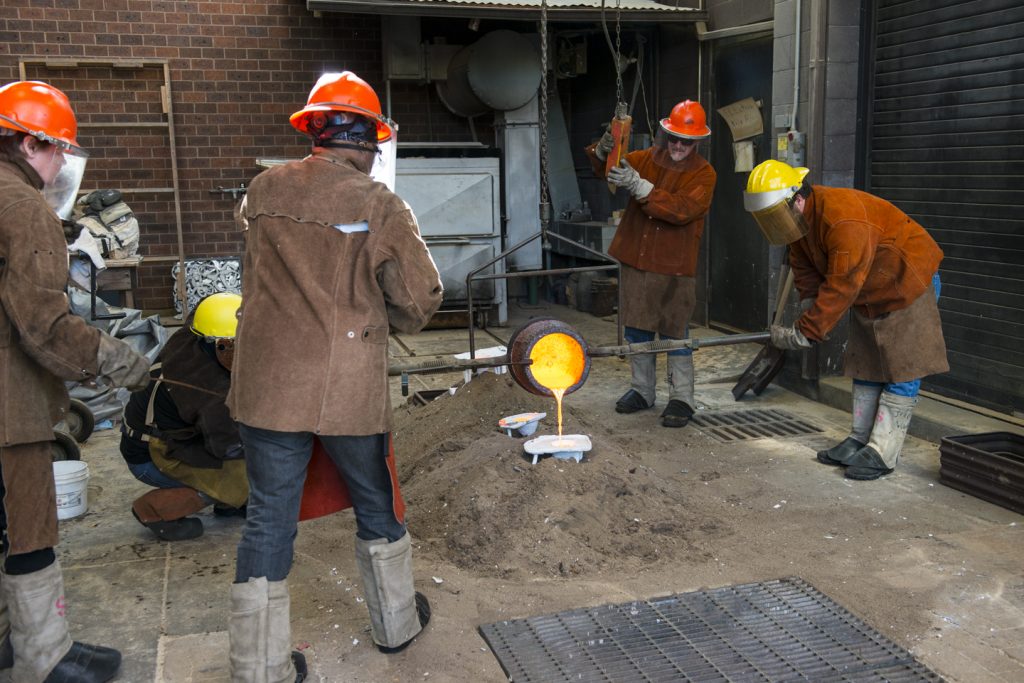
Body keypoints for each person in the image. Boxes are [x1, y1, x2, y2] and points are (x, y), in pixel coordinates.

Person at [226, 71, 443, 682]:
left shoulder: (263, 188)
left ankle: (260, 668)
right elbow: (420, 298)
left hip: (267, 383)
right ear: (372, 141)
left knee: (269, 517)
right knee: (375, 502)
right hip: (346, 386)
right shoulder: (378, 203)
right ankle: (397, 626)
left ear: (316, 130)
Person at [0, 80, 151, 682]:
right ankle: (44, 659)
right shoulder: (20, 205)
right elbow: (43, 325)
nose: (62, 161)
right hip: (9, 401)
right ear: (28, 142)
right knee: (28, 522)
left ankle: (20, 644)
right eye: (58, 148)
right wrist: (121, 363)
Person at [743, 159, 948, 480]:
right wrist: (807, 316)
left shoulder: (842, 218)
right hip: (871, 289)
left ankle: (883, 451)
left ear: (796, 199)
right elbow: (808, 274)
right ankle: (858, 438)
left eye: (773, 215)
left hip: (907, 280)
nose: (773, 224)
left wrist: (807, 331)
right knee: (866, 362)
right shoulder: (799, 224)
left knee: (902, 368)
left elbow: (843, 283)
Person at [585, 100, 717, 428]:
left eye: (686, 141)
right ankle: (642, 390)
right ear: (665, 133)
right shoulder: (647, 159)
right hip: (638, 260)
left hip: (674, 266)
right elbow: (611, 169)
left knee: (675, 332)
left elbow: (681, 210)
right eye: (673, 137)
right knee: (636, 328)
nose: (678, 145)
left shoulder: (704, 174)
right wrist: (603, 151)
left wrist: (640, 186)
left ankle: (682, 397)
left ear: (696, 142)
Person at [120, 292, 248, 542]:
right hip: (149, 457)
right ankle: (155, 511)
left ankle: (231, 503)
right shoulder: (209, 391)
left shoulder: (194, 336)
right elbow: (227, 447)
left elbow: (208, 304)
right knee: (256, 470)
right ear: (222, 344)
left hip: (155, 436)